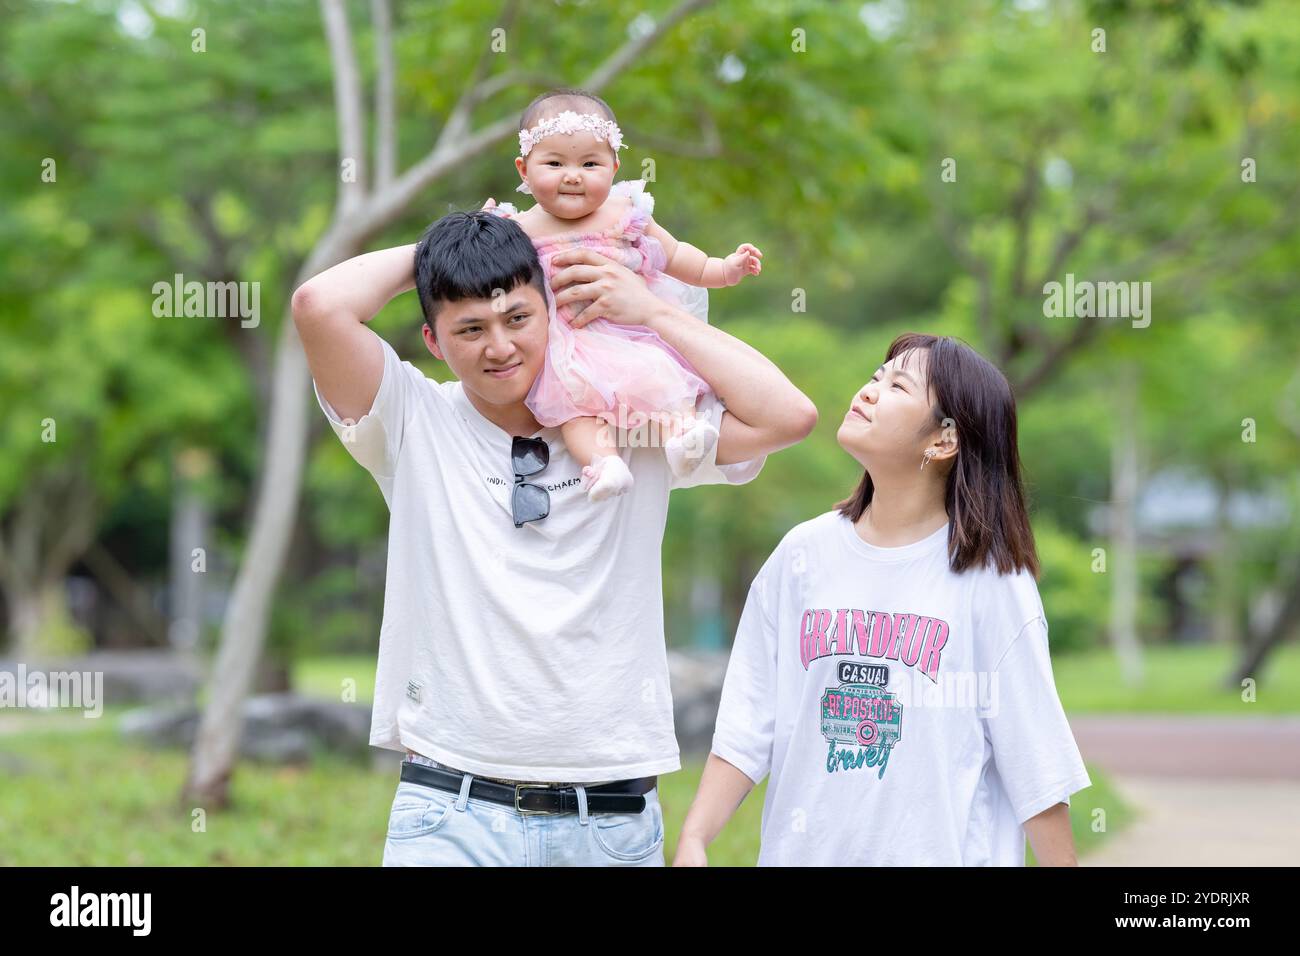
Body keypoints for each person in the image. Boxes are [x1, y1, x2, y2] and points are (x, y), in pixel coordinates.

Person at [290, 205, 816, 866]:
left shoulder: (633, 422)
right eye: (470, 328)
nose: (499, 347)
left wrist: (650, 311)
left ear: (551, 307)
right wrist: (469, 244)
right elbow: (317, 305)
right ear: (432, 340)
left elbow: (789, 415)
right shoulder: (412, 417)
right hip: (450, 808)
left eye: (517, 318)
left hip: (611, 818)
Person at [675, 332, 1091, 866]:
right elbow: (748, 724)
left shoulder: (992, 582)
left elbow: (1035, 766)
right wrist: (694, 837)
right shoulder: (802, 556)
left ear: (943, 441)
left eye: (897, 385)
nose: (869, 390)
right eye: (876, 375)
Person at [483, 87, 764, 502]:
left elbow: (676, 255)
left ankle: (682, 436)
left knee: (661, 377)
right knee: (575, 409)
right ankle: (604, 464)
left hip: (632, 330)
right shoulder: (518, 228)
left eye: (590, 163)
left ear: (614, 166)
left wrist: (723, 269)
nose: (573, 175)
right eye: (555, 163)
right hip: (570, 344)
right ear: (524, 169)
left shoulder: (625, 212)